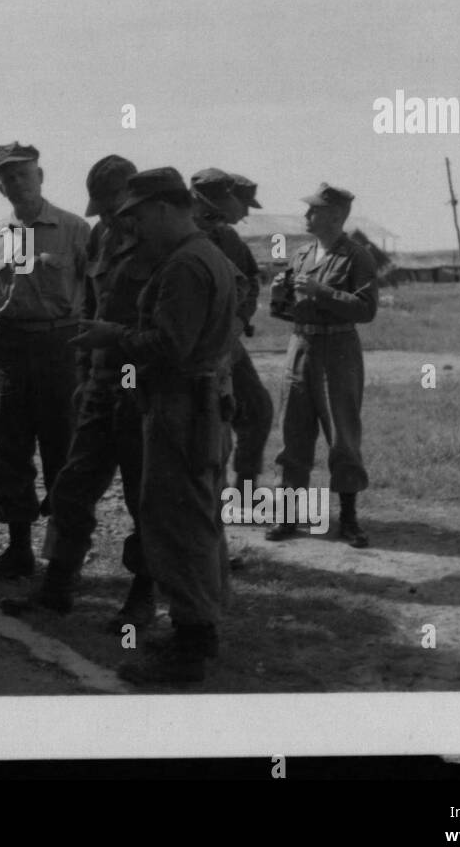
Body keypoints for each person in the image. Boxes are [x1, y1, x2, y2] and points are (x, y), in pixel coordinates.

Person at [72, 169, 239, 685]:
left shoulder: (186, 265)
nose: (135, 228)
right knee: (196, 518)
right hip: (196, 404)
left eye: (140, 216)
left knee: (178, 522)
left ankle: (190, 649)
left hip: (179, 406)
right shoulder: (207, 256)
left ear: (165, 210)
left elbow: (170, 346)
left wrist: (112, 335)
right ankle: (198, 629)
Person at [13, 154, 159, 630]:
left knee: (144, 497)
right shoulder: (101, 236)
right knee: (72, 487)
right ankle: (57, 587)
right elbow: (90, 307)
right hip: (99, 381)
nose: (107, 217)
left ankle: (142, 595)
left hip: (142, 384)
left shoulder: (160, 242)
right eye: (101, 209)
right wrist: (82, 373)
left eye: (115, 206)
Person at [0, 142, 91, 580]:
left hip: (60, 343)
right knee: (9, 446)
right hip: (9, 345)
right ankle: (18, 548)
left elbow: (95, 292)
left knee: (62, 446)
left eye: (23, 174)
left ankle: (63, 557)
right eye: (7, 178)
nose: (16, 183)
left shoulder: (75, 229)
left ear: (40, 176)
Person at [266, 183, 378, 548]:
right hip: (300, 345)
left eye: (313, 210)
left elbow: (366, 309)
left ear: (333, 216)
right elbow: (286, 310)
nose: (306, 216)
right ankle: (288, 516)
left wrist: (322, 292)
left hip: (338, 349)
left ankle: (348, 519)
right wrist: (278, 294)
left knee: (342, 436)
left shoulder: (356, 256)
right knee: (293, 433)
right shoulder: (302, 255)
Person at [190, 168, 274, 496]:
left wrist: (240, 319)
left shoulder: (227, 238)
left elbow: (251, 283)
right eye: (244, 205)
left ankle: (244, 491)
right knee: (209, 426)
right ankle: (209, 498)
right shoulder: (178, 232)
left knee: (257, 411)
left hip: (228, 344)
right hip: (191, 348)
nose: (246, 214)